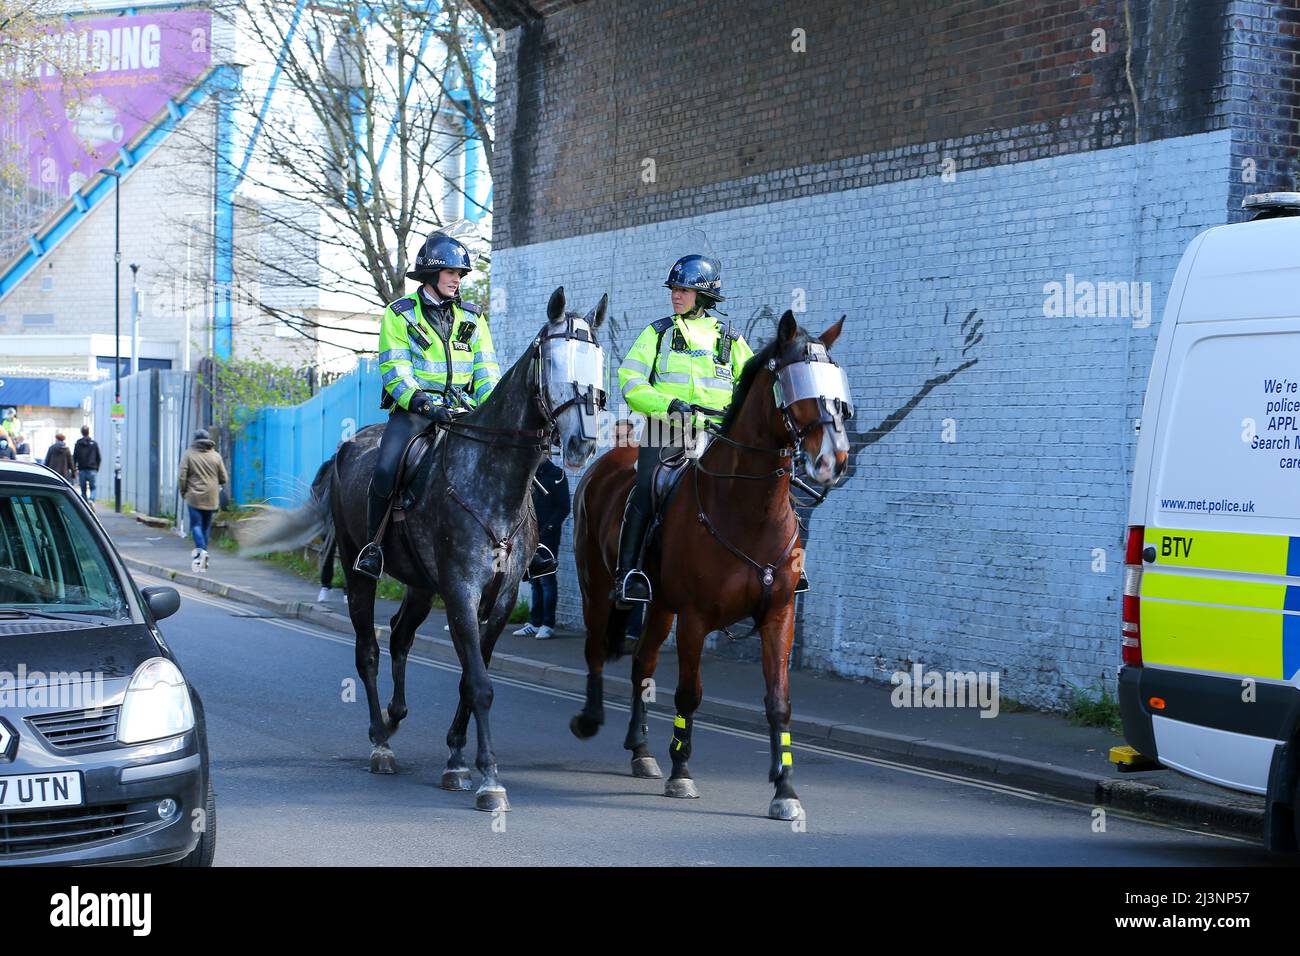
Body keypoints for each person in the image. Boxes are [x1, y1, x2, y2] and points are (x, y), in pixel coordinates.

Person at [352, 231, 502, 580]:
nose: (457, 279)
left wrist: (488, 407)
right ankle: (373, 547)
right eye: (451, 272)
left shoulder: (472, 316)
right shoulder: (400, 314)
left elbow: (486, 369)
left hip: (463, 412)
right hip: (415, 413)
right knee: (387, 469)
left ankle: (528, 546)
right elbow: (394, 370)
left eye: (461, 274)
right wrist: (424, 403)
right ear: (432, 275)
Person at [612, 254, 755, 607]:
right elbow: (630, 380)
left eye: (684, 290)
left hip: (720, 435)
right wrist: (668, 405)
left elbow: (752, 386)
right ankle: (628, 575)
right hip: (668, 431)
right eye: (674, 288)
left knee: (764, 482)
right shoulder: (657, 333)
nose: (676, 295)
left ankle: (774, 566)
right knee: (646, 489)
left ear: (704, 297)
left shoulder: (731, 340)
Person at [514, 456, 571, 640]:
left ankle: (547, 624)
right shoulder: (529, 474)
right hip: (529, 535)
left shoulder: (557, 474)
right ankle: (534, 622)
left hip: (547, 537)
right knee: (534, 580)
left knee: (546, 580)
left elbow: (563, 507)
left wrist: (548, 529)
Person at [178, 428, 228, 572]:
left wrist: (183, 491)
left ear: (195, 440)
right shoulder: (216, 456)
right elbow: (224, 478)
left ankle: (201, 553)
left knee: (196, 525)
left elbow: (182, 476)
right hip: (212, 496)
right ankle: (203, 555)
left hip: (194, 496)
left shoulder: (189, 454)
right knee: (206, 526)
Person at [73, 425, 102, 504]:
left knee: (83, 488)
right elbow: (99, 457)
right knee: (93, 487)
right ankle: (91, 500)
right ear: (88, 432)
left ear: (81, 432)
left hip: (82, 469)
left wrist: (74, 469)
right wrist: (97, 468)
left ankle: (84, 504)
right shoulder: (94, 444)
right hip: (92, 469)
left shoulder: (78, 443)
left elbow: (74, 457)